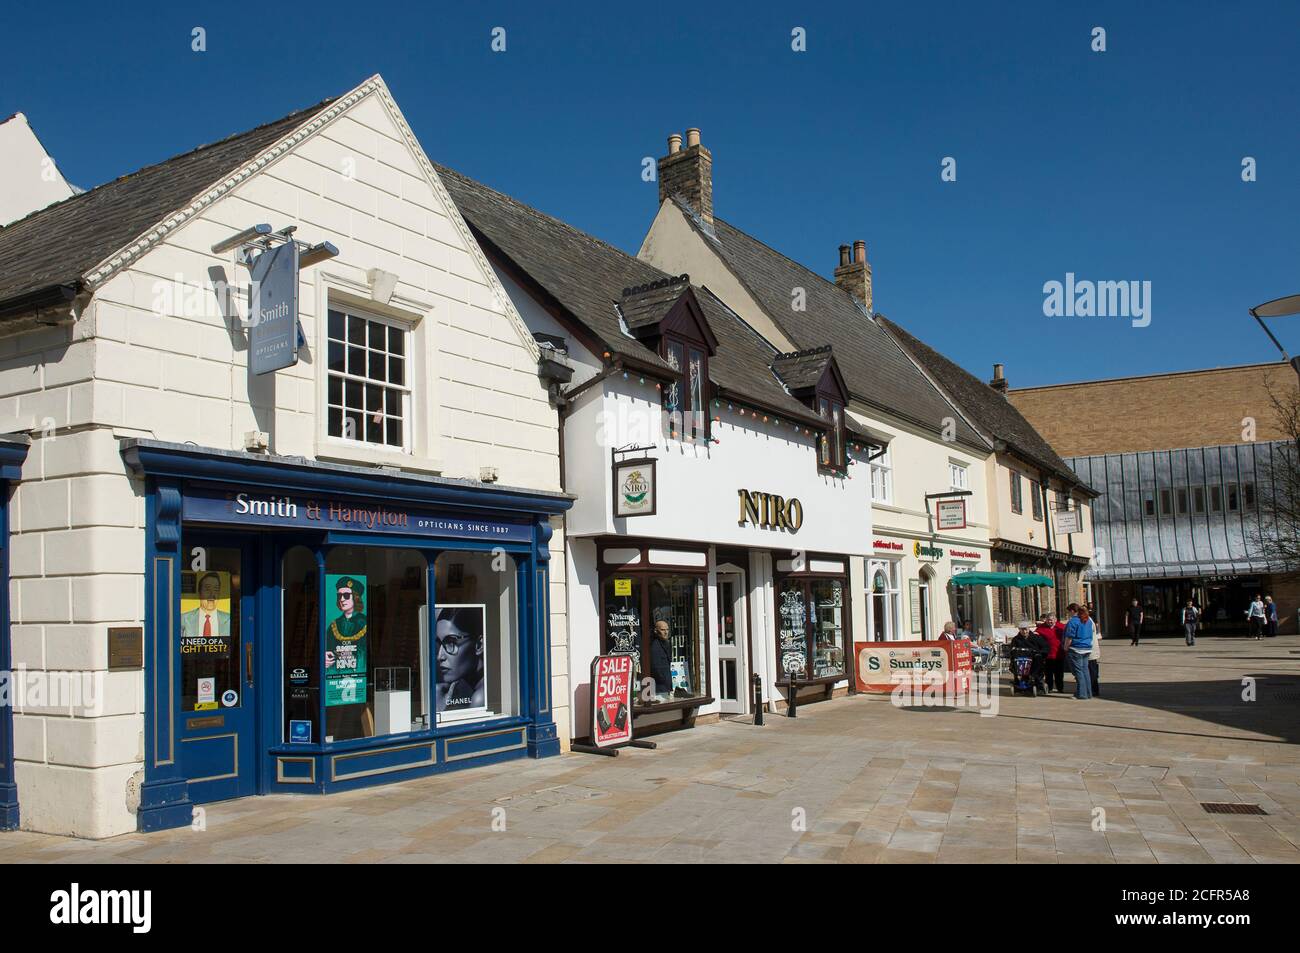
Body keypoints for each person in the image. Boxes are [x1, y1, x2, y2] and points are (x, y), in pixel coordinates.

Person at [435, 606, 485, 711]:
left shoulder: (480, 698)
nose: (440, 656)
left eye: (451, 643)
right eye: (439, 644)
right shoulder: (462, 688)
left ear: (479, 645)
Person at [181, 572, 231, 638]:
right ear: (199, 593)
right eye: (207, 589)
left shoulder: (228, 619)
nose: (212, 594)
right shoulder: (184, 618)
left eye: (216, 590)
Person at [1063, 604, 1095, 699]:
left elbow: (1069, 636)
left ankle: (1082, 693)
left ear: (1073, 611)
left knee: (1078, 672)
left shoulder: (1073, 621)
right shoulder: (1088, 620)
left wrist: (1065, 647)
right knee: (1085, 670)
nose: (1069, 614)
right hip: (1087, 648)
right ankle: (1088, 692)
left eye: (1069, 612)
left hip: (1076, 648)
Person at [1036, 613, 1064, 693]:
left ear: (1055, 620)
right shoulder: (1041, 628)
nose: (1050, 622)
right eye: (1048, 620)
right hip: (1048, 655)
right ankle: (1049, 688)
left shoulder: (1061, 627)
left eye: (1051, 620)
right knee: (1048, 673)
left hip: (1059, 654)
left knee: (1059, 673)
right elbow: (1035, 635)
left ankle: (1060, 688)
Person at [650, 618, 675, 698]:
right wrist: (664, 680)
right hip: (659, 688)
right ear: (656, 631)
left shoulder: (666, 644)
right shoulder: (655, 647)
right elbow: (655, 668)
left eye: (667, 629)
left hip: (667, 686)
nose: (666, 632)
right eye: (663, 630)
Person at [1089, 625, 1102, 697]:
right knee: (1093, 671)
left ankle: (1094, 690)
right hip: (1092, 650)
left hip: (1091, 651)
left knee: (1092, 671)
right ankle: (1094, 690)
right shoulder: (1089, 621)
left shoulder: (1088, 621)